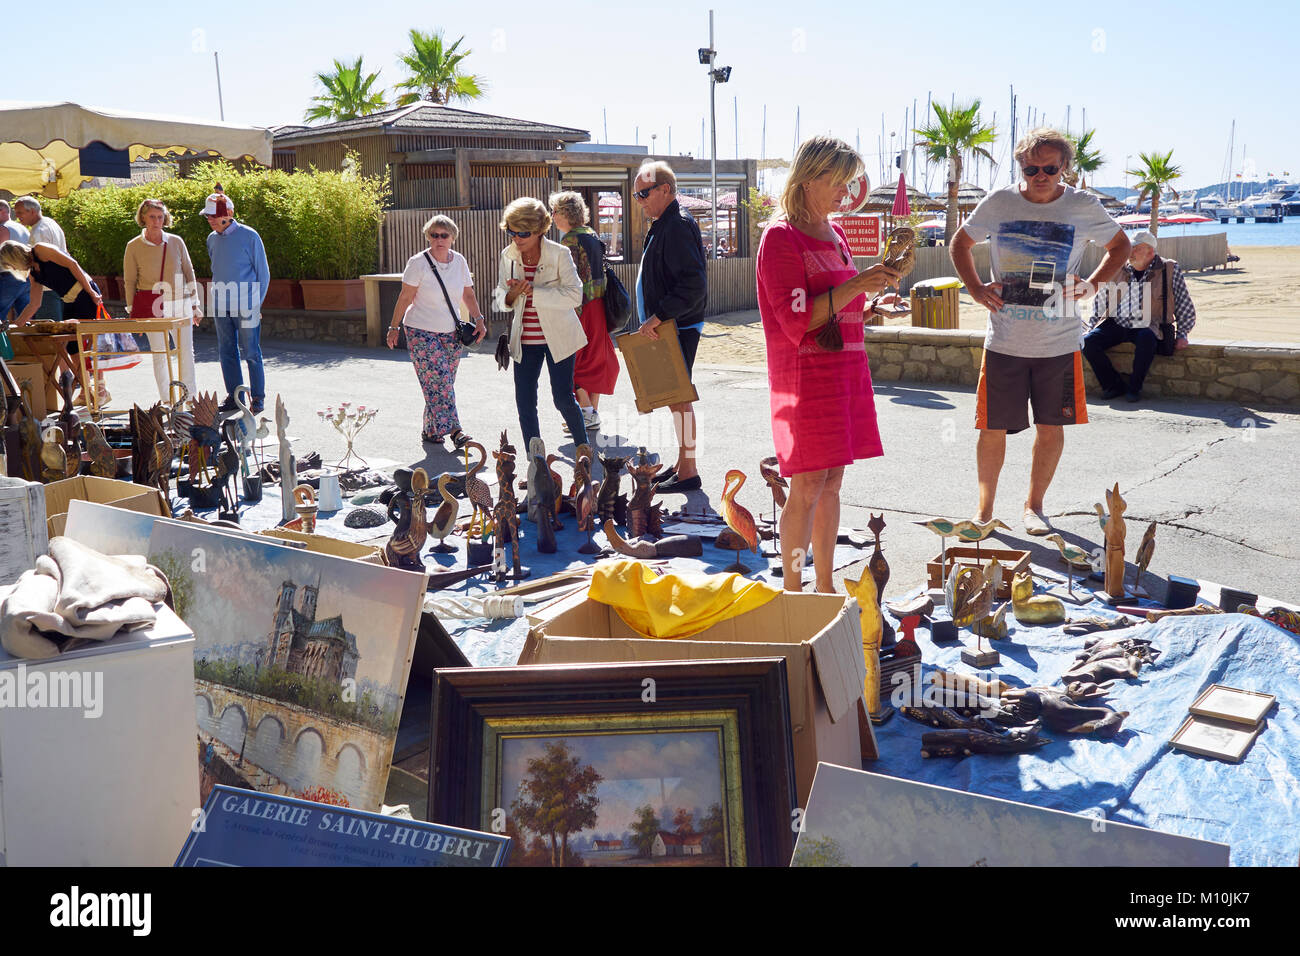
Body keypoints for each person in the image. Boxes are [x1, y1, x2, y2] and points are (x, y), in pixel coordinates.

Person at [950, 127, 1130, 536]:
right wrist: (976, 289)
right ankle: (984, 512)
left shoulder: (1082, 205)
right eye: (1031, 168)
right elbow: (960, 243)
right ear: (1021, 168)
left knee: (1051, 427)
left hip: (1060, 343)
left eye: (1049, 168)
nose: (1040, 176)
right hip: (1005, 342)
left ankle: (1034, 508)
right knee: (992, 428)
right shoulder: (1000, 202)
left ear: (1065, 167)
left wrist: (1092, 284)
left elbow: (1120, 246)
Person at [757, 135, 902, 592]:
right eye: (838, 181)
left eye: (847, 181)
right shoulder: (780, 237)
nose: (845, 192)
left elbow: (836, 304)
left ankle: (824, 586)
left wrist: (873, 304)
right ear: (807, 179)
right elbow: (797, 318)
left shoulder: (836, 232)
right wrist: (858, 284)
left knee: (833, 483)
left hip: (844, 371)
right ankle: (793, 589)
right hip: (806, 376)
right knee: (806, 487)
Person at [633, 160, 708, 493]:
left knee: (679, 398)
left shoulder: (676, 224)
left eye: (644, 193)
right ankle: (682, 464)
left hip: (676, 326)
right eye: (636, 195)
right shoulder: (666, 221)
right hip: (669, 326)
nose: (640, 201)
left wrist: (658, 315)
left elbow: (693, 285)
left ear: (665, 190)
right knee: (675, 398)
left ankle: (689, 470)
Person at [491, 197, 588, 451]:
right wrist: (512, 294)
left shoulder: (560, 253)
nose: (516, 238)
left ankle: (583, 454)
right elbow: (501, 300)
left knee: (563, 399)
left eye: (523, 232)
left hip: (559, 337)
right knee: (524, 403)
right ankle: (536, 465)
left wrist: (535, 291)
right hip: (524, 341)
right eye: (511, 231)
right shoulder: (508, 256)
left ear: (540, 229)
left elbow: (575, 295)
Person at [386, 214, 485, 448]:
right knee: (439, 381)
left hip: (451, 331)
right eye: (434, 235)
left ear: (452, 238)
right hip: (420, 331)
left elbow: (468, 294)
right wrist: (393, 327)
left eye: (444, 235)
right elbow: (405, 296)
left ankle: (431, 431)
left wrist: (479, 319)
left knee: (443, 382)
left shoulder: (459, 261)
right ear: (428, 237)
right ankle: (456, 431)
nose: (439, 239)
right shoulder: (418, 263)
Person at [1083, 231, 1196, 402]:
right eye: (1130, 247)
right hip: (1117, 321)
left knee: (1147, 339)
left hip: (1148, 324)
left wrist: (1182, 334)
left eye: (1135, 248)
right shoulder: (1117, 267)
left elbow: (1184, 303)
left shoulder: (1169, 269)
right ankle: (1113, 385)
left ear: (1150, 252)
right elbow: (1101, 300)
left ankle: (1134, 389)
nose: (1130, 252)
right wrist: (1092, 326)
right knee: (1088, 342)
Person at [1, 238, 109, 404]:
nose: (13, 269)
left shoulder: (40, 250)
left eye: (10, 264)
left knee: (88, 343)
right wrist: (15, 326)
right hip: (69, 301)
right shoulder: (33, 274)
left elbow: (72, 264)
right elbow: (34, 304)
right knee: (74, 348)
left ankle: (100, 391)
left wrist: (92, 292)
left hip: (85, 294)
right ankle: (87, 392)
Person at [550, 190, 618, 432]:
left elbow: (567, 279)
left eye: (554, 211)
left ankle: (586, 412)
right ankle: (591, 414)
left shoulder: (569, 240)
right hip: (598, 305)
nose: (552, 216)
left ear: (564, 213)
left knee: (574, 359)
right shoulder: (591, 234)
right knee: (595, 358)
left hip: (580, 307)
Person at [123, 198, 203, 402]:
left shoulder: (176, 241)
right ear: (143, 217)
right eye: (152, 217)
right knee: (160, 354)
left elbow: (188, 271)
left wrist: (196, 304)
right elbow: (130, 280)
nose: (157, 221)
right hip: (152, 305)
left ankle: (190, 398)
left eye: (160, 217)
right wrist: (133, 312)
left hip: (180, 302)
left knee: (186, 352)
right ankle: (168, 400)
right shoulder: (133, 246)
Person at [204, 186, 270, 414]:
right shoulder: (211, 239)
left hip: (246, 305)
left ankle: (258, 398)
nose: (210, 219)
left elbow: (263, 273)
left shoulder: (250, 236)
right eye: (208, 215)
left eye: (214, 215)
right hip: (221, 306)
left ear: (228, 214)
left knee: (252, 352)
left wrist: (257, 304)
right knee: (226, 352)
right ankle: (234, 396)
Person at [12, 196, 67, 320]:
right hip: (60, 284)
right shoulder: (50, 223)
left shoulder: (39, 232)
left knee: (49, 332)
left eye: (20, 213)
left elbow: (40, 265)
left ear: (32, 211)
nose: (18, 217)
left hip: (47, 288)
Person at [0, 201, 31, 322]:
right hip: (26, 276)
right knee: (25, 317)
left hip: (8, 275)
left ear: (2, 211)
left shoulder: (3, 228)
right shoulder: (22, 228)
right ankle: (23, 341)